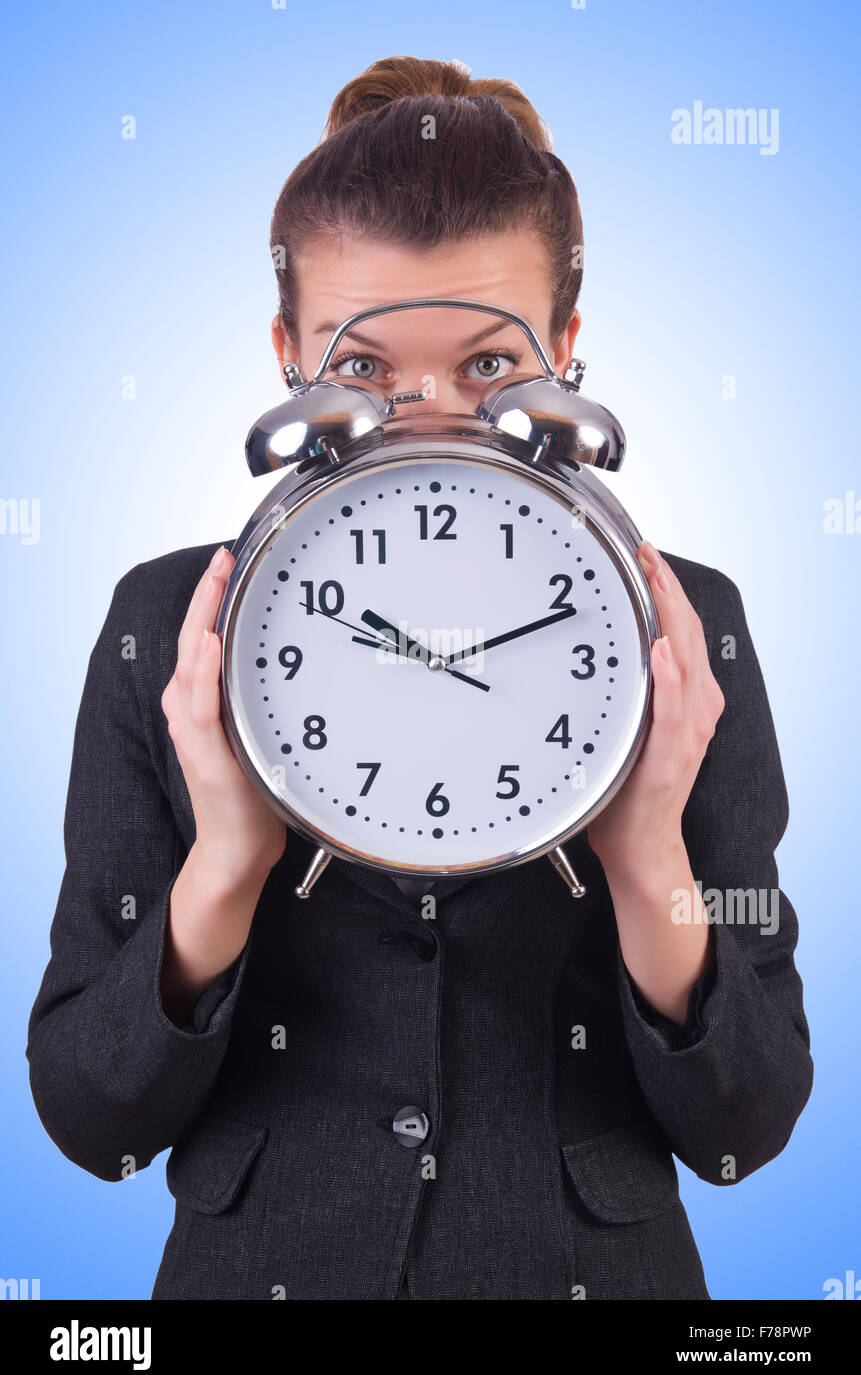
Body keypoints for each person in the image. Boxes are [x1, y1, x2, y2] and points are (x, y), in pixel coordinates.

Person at [26, 55, 813, 1301]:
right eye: (368, 368)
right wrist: (225, 860)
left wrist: (648, 849)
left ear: (566, 348)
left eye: (490, 366)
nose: (428, 417)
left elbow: (747, 1127)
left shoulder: (687, 624)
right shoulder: (165, 626)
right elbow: (90, 1117)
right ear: (289, 355)